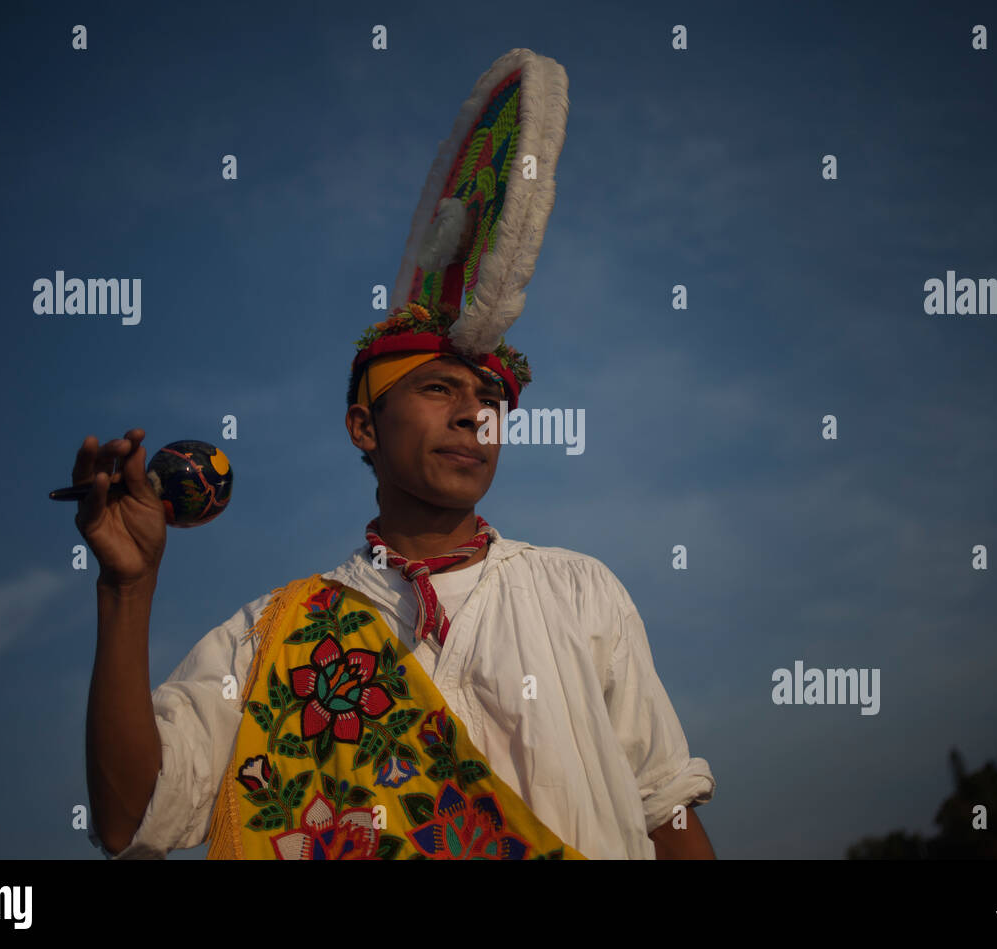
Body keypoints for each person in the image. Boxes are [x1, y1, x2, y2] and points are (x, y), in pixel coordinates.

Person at [74, 48, 715, 860]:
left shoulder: (581, 593)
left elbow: (669, 815)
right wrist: (127, 591)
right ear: (363, 428)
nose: (474, 415)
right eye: (441, 390)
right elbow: (132, 816)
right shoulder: (272, 634)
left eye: (490, 401)